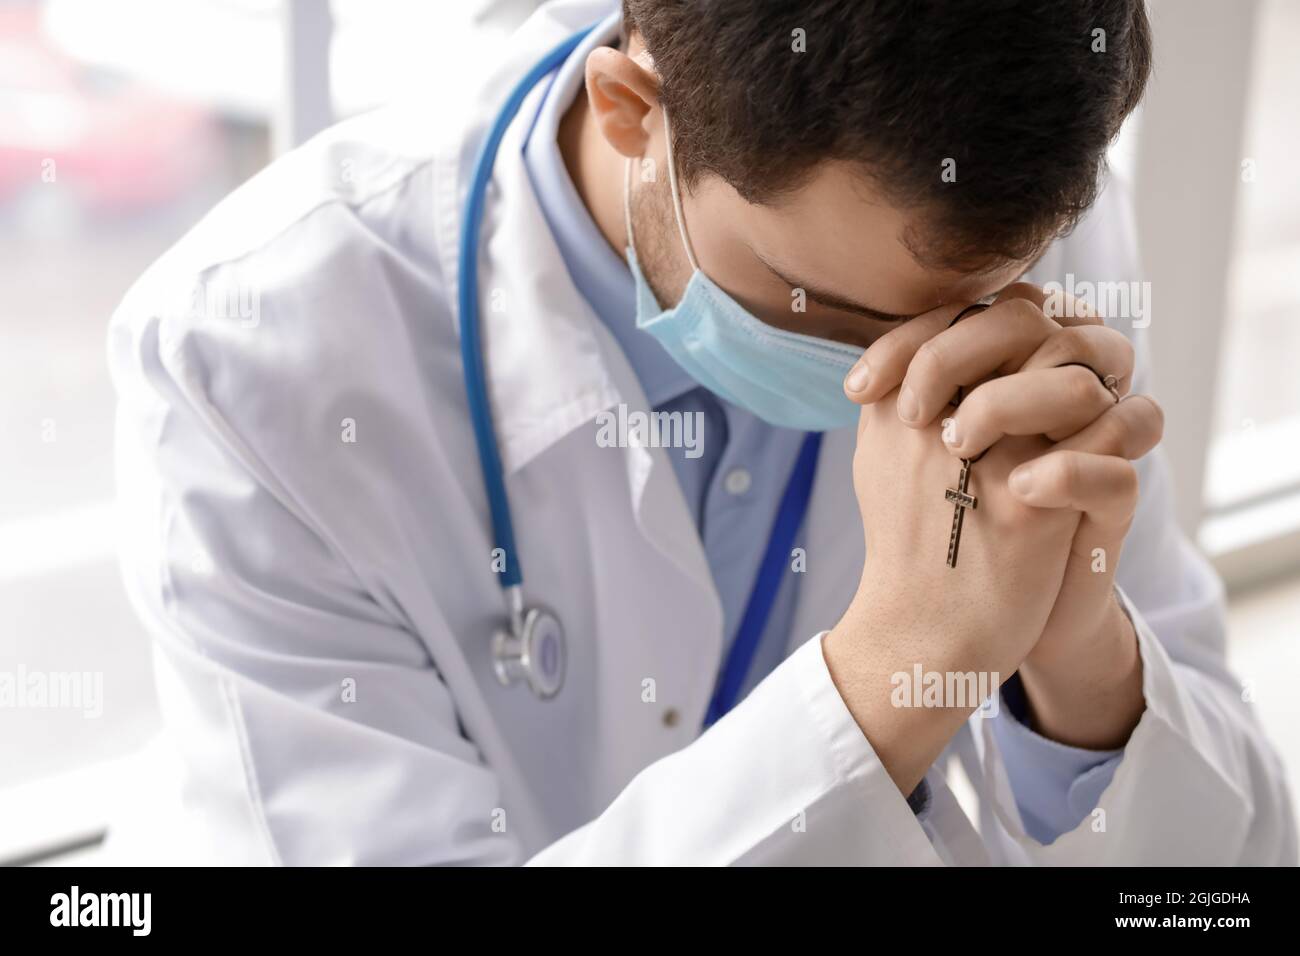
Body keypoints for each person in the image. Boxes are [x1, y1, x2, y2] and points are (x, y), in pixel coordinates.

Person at [108, 0, 1295, 864]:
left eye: (960, 313)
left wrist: (1083, 661)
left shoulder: (1009, 228)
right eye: (815, 306)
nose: (891, 368)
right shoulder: (250, 355)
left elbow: (1223, 880)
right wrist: (891, 673)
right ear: (631, 112)